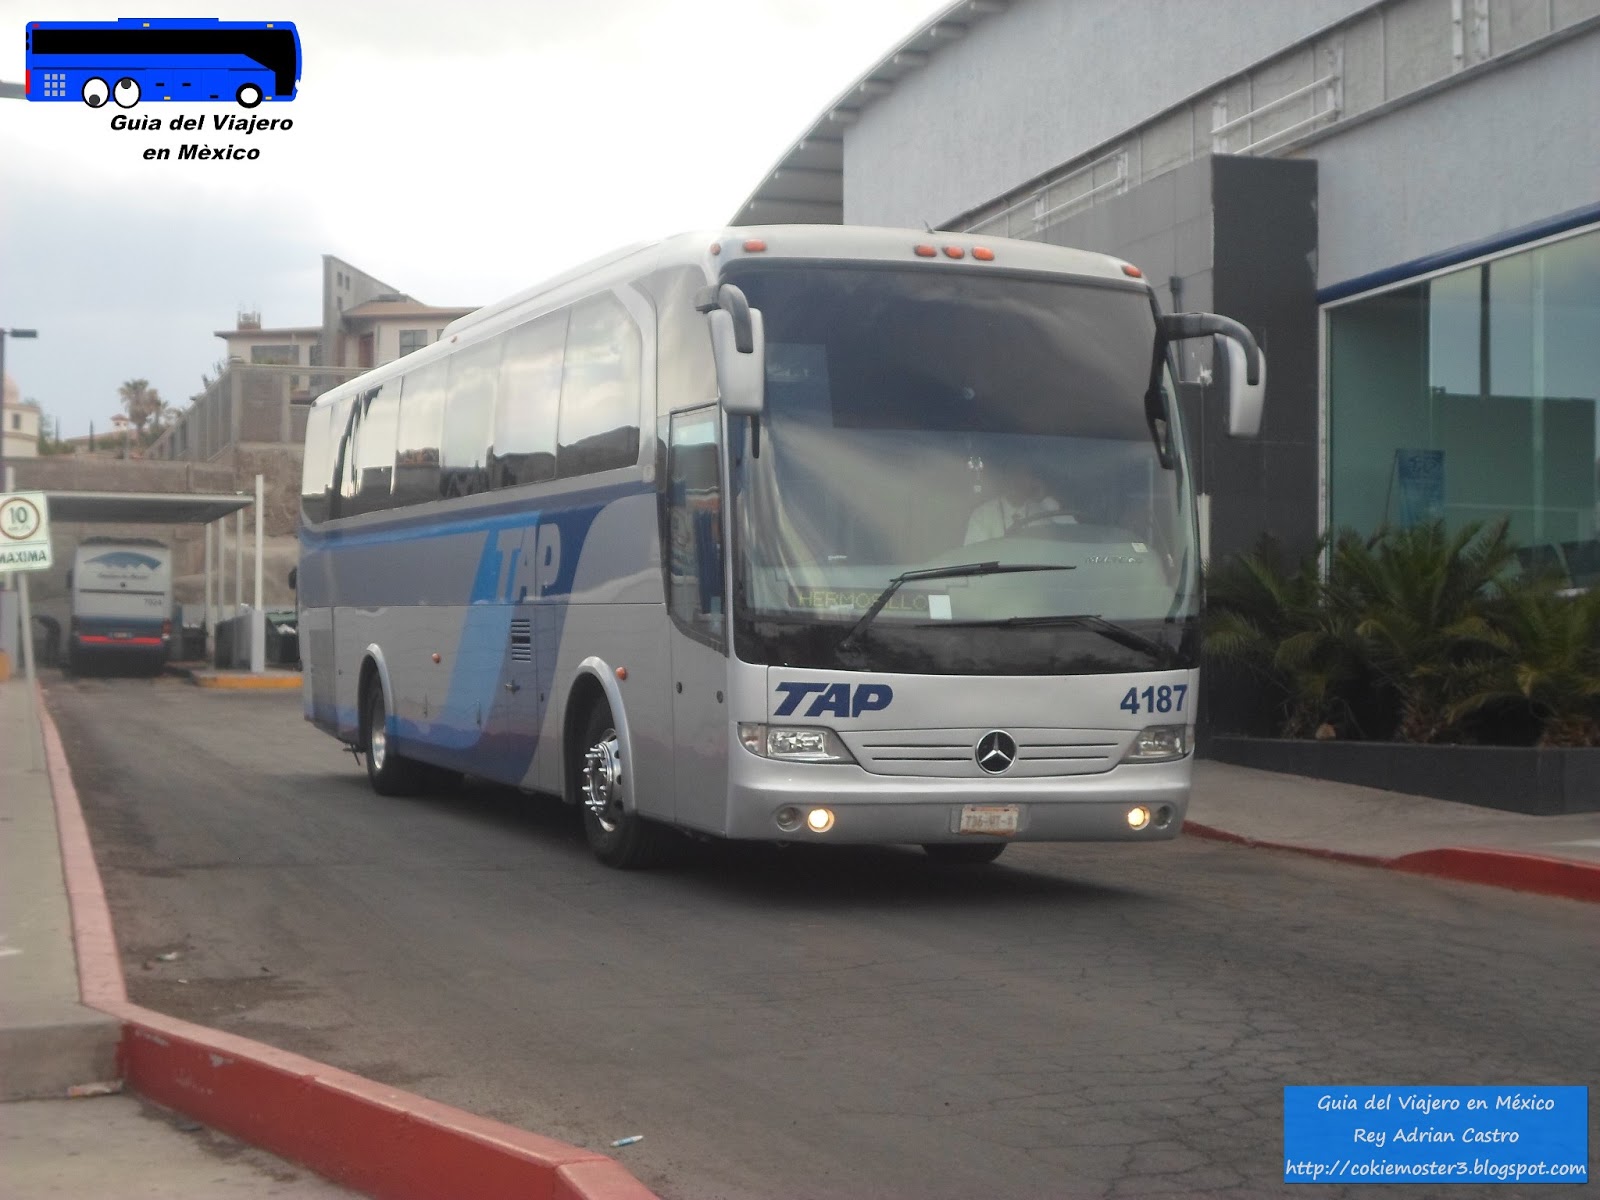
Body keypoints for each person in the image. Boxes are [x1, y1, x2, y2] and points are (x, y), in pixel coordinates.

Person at [964, 457, 1068, 544]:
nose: (1018, 480)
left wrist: (1044, 499)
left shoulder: (1041, 516)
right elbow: (973, 559)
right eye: (1014, 473)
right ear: (1004, 478)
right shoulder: (982, 515)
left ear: (1033, 481)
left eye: (1025, 474)